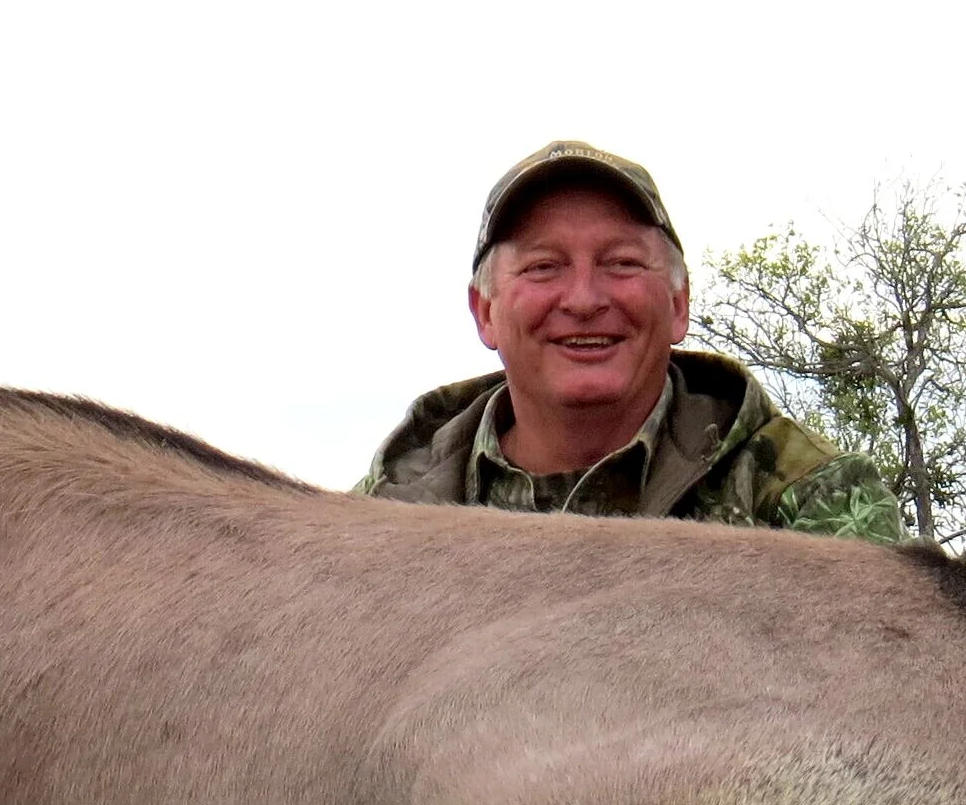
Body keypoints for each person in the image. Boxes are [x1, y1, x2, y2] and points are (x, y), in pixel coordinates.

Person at [356, 141, 903, 541]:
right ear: (485, 313)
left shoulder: (811, 500)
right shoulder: (380, 518)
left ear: (679, 304)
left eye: (621, 263)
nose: (584, 299)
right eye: (544, 266)